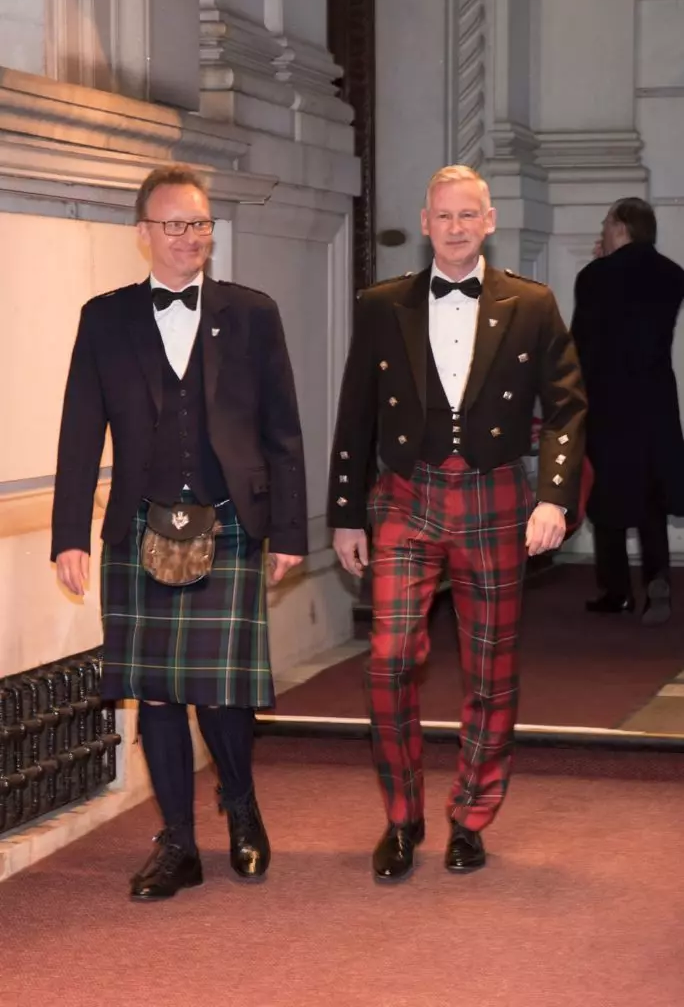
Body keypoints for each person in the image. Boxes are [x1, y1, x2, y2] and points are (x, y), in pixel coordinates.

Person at [52, 164, 307, 900]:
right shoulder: (105, 318)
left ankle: (240, 806)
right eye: (175, 225)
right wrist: (70, 532)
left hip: (229, 519)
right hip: (139, 523)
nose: (191, 237)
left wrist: (288, 529)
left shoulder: (253, 313)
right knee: (157, 692)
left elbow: (282, 431)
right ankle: (177, 843)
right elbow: (79, 432)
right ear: (143, 235)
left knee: (222, 691)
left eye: (200, 224)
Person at [328, 164, 586, 883]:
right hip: (405, 498)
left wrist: (554, 498)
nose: (456, 227)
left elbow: (567, 407)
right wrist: (346, 513)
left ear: (490, 221)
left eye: (469, 215)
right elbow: (355, 412)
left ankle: (470, 818)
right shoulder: (383, 305)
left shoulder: (531, 304)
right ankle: (401, 817)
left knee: (491, 669)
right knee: (388, 659)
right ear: (426, 221)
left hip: (496, 497)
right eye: (444, 216)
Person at [572, 197, 684, 624]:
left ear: (621, 226)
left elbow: (580, 343)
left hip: (608, 400)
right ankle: (658, 579)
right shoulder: (673, 275)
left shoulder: (595, 277)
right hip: (655, 400)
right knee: (651, 493)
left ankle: (616, 589)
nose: (601, 231)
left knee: (607, 494)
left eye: (605, 223)